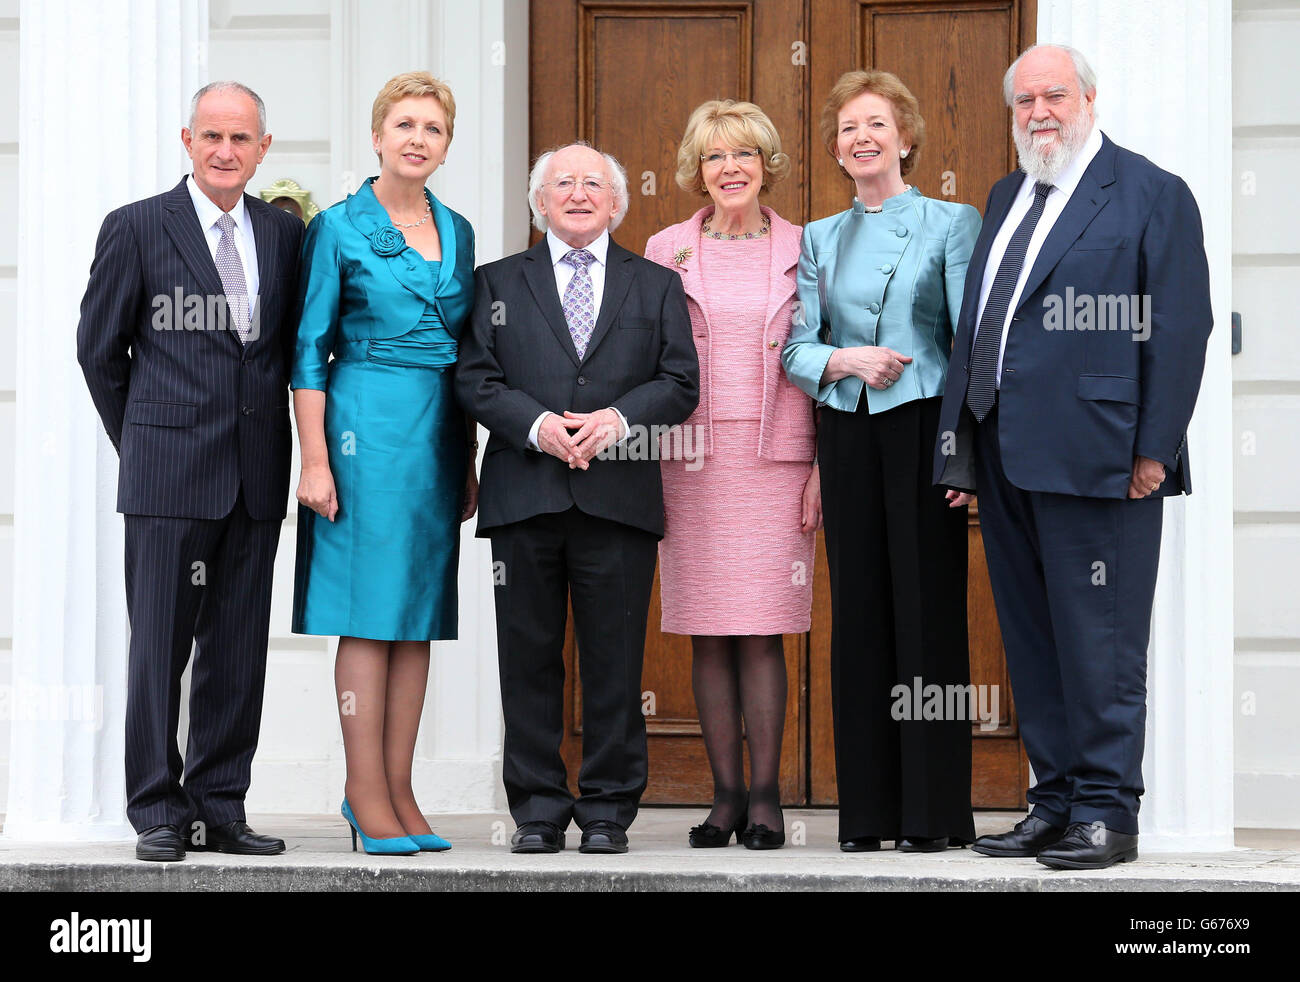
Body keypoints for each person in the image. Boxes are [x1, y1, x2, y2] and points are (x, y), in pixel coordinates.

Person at [934, 44, 1212, 870]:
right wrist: (958, 449)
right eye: (1023, 100)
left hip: (1106, 460)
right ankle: (1053, 803)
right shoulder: (1008, 193)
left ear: (1090, 97)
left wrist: (1153, 451)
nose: (1038, 112)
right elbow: (979, 327)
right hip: (1008, 455)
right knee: (1034, 642)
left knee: (1102, 641)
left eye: (1054, 95)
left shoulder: (1151, 193)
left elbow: (1181, 328)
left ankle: (1105, 813)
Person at [77, 82, 305, 862]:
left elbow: (283, 351)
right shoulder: (138, 227)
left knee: (237, 651)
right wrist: (145, 439)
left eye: (241, 139)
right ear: (187, 139)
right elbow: (100, 352)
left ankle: (219, 806)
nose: (225, 151)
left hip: (255, 471)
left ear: (263, 149)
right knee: (159, 650)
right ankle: (158, 812)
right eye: (212, 136)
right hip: (169, 474)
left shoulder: (283, 233)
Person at [456, 142, 698, 855]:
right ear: (540, 201)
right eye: (564, 182)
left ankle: (607, 811)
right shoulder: (495, 282)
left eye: (595, 182)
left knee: (614, 661)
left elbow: (680, 380)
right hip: (525, 496)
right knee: (527, 659)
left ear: (618, 202)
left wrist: (617, 421)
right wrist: (535, 426)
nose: (580, 192)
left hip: (618, 499)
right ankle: (536, 810)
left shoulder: (654, 284)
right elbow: (474, 378)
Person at [783, 70, 980, 853]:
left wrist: (966, 456)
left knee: (927, 615)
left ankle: (933, 818)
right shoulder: (818, 236)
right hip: (849, 431)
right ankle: (865, 815)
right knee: (859, 617)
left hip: (926, 427)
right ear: (836, 148)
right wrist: (845, 360)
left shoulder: (950, 222)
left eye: (876, 125)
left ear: (905, 136)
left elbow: (970, 347)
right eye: (847, 129)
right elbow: (796, 348)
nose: (861, 138)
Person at [291, 72, 477, 856]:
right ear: (376, 136)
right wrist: (315, 462)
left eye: (432, 128)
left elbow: (469, 351)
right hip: (362, 425)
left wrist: (467, 457)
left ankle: (400, 788)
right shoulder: (336, 227)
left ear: (445, 145)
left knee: (416, 616)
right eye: (403, 124)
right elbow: (306, 350)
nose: (416, 139)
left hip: (438, 433)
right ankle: (363, 791)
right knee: (368, 613)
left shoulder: (460, 229)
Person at [644, 101, 818, 850]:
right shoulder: (665, 248)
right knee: (707, 632)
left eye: (744, 153)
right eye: (715, 157)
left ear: (765, 162)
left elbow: (828, 365)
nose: (730, 168)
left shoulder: (808, 247)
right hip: (690, 461)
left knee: (762, 631)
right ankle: (723, 798)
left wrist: (821, 468)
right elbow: (645, 355)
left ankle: (767, 798)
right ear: (697, 169)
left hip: (780, 459)